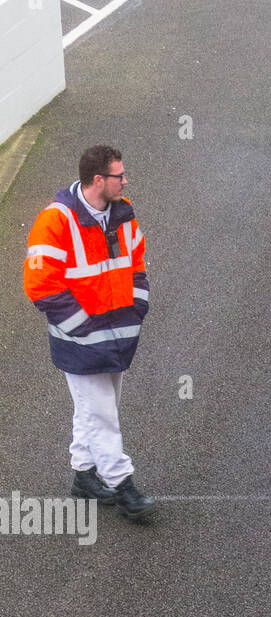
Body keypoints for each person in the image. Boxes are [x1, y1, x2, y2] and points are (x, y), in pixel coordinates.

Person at [23, 145, 154, 520]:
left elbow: (137, 263)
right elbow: (40, 285)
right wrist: (84, 329)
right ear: (99, 180)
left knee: (96, 409)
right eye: (119, 175)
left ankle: (83, 475)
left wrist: (138, 304)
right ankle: (121, 483)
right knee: (102, 415)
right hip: (82, 342)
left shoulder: (122, 213)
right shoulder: (55, 221)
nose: (125, 180)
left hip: (116, 338)